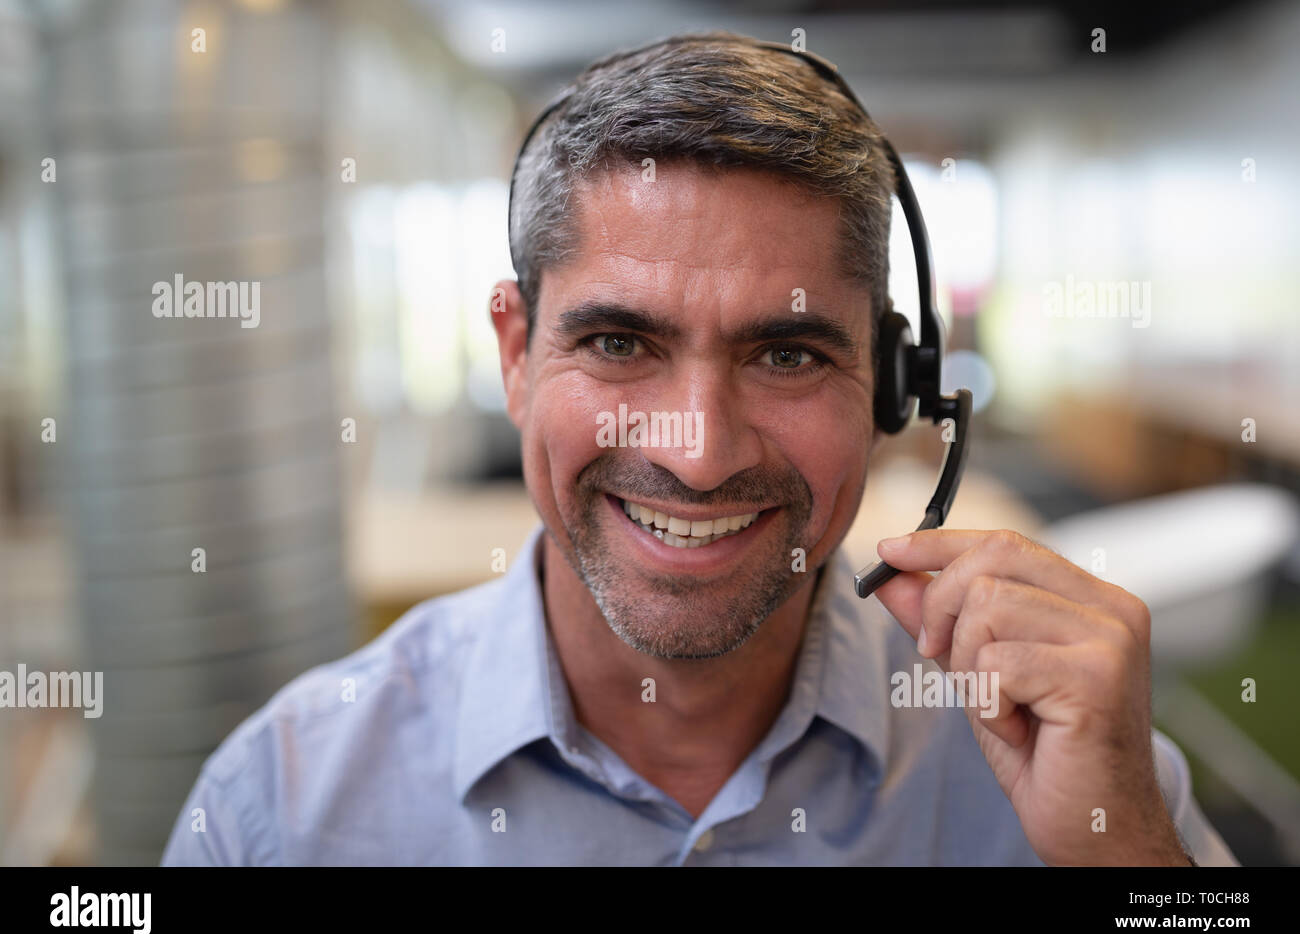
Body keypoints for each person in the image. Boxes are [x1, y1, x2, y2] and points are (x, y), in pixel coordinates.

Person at [162, 33, 1237, 866]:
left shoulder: (1066, 763)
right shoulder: (284, 807)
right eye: (620, 342)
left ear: (892, 386)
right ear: (517, 354)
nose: (698, 453)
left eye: (786, 354)